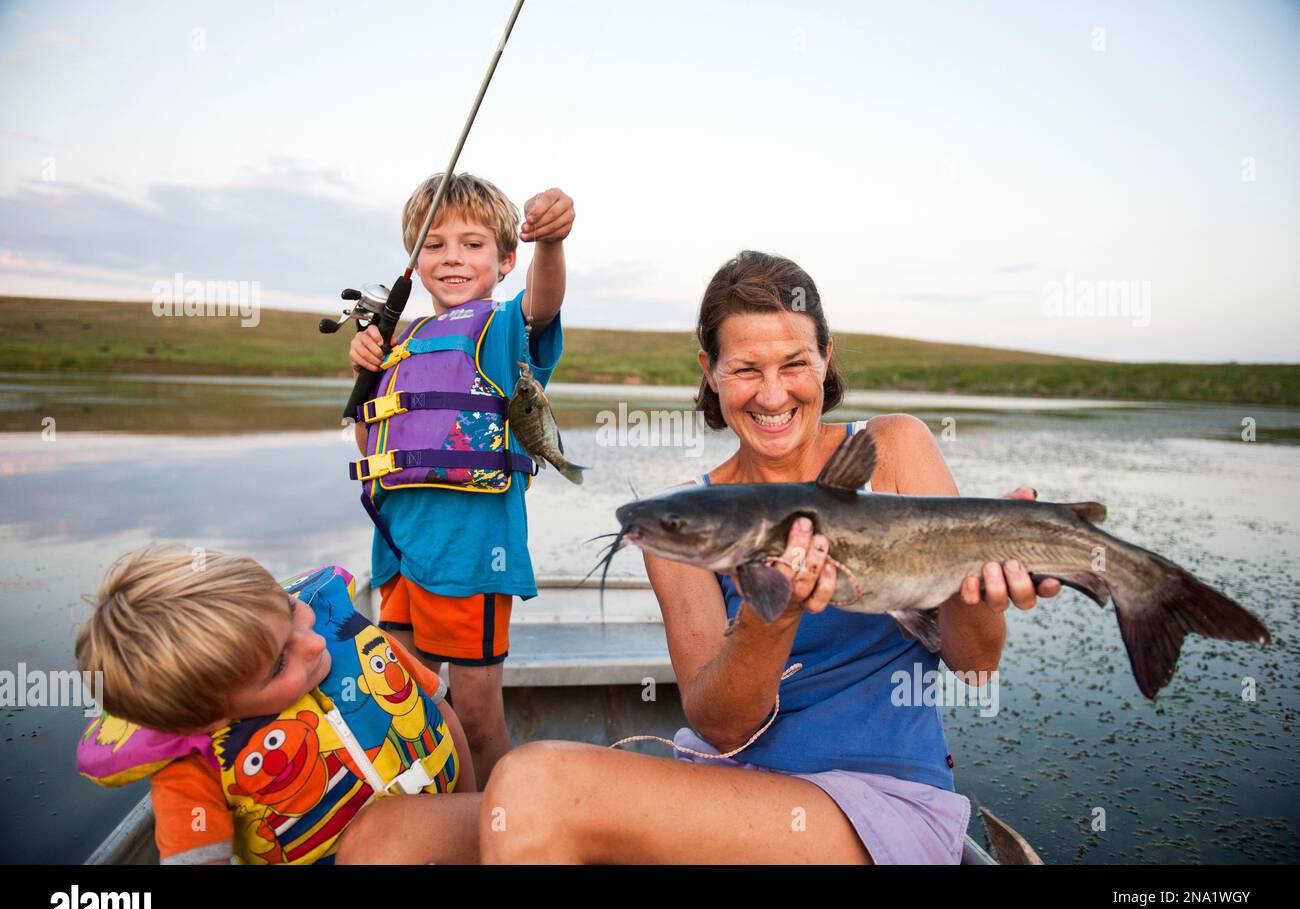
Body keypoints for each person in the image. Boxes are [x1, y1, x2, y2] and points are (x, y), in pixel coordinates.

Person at [472, 250, 1062, 864]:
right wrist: (770, 619)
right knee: (393, 836)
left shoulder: (893, 449)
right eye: (746, 369)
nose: (773, 393)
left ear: (826, 359)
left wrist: (978, 591)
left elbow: (974, 667)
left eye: (795, 364)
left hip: (884, 806)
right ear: (711, 370)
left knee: (533, 785)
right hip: (727, 791)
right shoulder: (684, 529)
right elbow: (721, 727)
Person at [347, 173, 573, 785]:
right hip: (399, 556)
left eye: (472, 244)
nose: (452, 257)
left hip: (472, 557)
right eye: (435, 244)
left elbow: (544, 301)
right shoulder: (403, 339)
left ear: (505, 260)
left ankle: (501, 826)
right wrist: (368, 370)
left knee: (475, 716)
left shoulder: (504, 330)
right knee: (405, 711)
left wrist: (551, 243)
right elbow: (374, 445)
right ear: (414, 261)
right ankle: (437, 818)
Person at [75, 545, 479, 864]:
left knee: (521, 779)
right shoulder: (192, 772)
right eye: (279, 662)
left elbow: (438, 713)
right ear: (209, 716)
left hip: (451, 834)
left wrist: (467, 805)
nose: (315, 641)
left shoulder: (344, 635)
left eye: (290, 609)